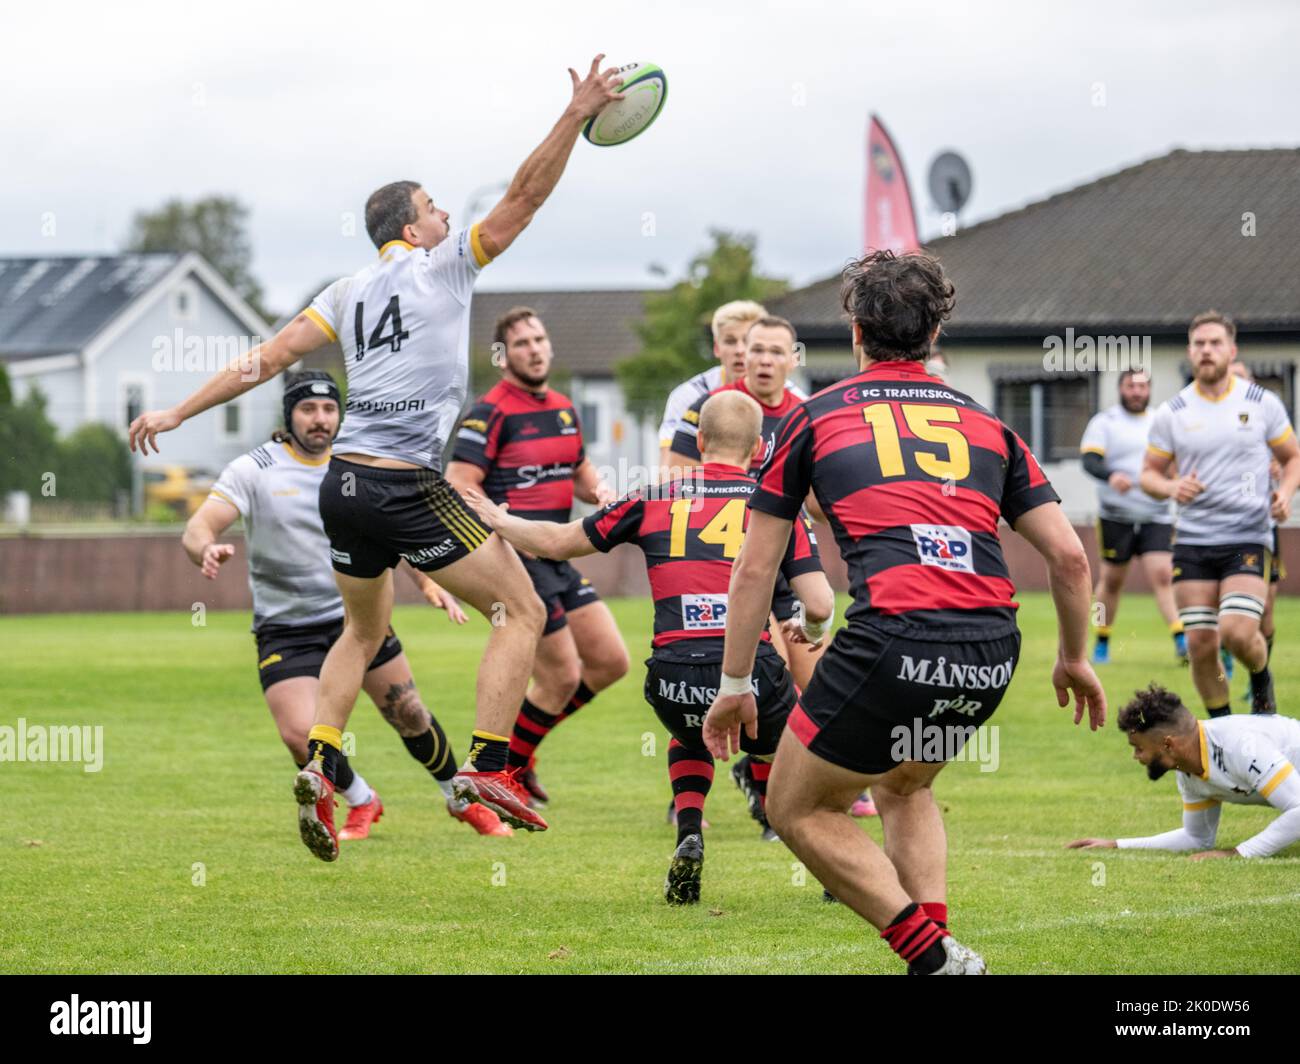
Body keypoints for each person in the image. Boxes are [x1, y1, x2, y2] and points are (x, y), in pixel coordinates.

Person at [128, 56, 627, 858]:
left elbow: (262, 359)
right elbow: (525, 199)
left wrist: (177, 410)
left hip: (345, 487)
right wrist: (575, 115)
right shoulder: (447, 264)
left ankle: (324, 758)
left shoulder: (345, 290)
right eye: (433, 208)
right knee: (523, 610)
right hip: (402, 485)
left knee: (362, 634)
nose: (442, 217)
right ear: (411, 228)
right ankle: (490, 767)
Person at [703, 249, 1106, 975]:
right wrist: (1075, 657)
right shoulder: (989, 425)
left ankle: (934, 957)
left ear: (857, 334)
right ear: (934, 337)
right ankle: (944, 948)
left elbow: (755, 568)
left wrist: (734, 687)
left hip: (893, 639)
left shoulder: (814, 417)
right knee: (903, 782)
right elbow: (1071, 559)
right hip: (991, 645)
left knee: (797, 809)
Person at [463, 389, 834, 901]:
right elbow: (816, 603)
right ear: (757, 451)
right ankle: (830, 870)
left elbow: (555, 543)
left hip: (672, 674)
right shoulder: (776, 506)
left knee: (689, 736)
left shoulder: (652, 496)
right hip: (751, 670)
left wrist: (500, 520)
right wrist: (809, 629)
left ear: (699, 440)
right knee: (795, 752)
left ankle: (688, 834)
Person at [183, 371, 510, 841]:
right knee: (300, 734)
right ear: (288, 415)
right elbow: (197, 528)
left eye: (329, 409)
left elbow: (393, 529)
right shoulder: (254, 468)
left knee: (410, 713)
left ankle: (458, 799)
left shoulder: (356, 466)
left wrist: (426, 580)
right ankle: (362, 799)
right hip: (286, 628)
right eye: (308, 409)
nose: (320, 420)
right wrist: (205, 548)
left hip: (356, 618)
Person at [669, 315, 875, 817]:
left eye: (775, 352)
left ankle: (822, 784)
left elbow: (821, 500)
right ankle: (741, 802)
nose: (762, 359)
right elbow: (676, 480)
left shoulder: (808, 413)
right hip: (725, 566)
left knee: (818, 673)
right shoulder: (713, 409)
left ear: (793, 360)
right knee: (757, 674)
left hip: (789, 560)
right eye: (754, 349)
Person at [446, 307, 629, 806]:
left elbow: (579, 466)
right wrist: (481, 543)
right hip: (516, 560)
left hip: (557, 553)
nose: (535, 348)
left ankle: (516, 759)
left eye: (539, 339)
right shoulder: (489, 413)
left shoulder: (564, 408)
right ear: (504, 356)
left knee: (611, 662)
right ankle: (497, 772)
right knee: (561, 675)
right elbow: (459, 484)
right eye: (522, 342)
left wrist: (598, 490)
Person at [1139, 310, 1300, 718]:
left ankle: (1261, 680)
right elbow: (1149, 476)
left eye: (1214, 343)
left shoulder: (1263, 404)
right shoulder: (1172, 412)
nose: (1206, 351)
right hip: (1193, 539)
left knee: (1236, 631)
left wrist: (1285, 491)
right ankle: (1225, 731)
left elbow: (1292, 456)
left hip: (1247, 535)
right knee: (1200, 644)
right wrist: (1173, 487)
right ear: (1190, 352)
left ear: (1232, 350)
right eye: (1199, 344)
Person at [1068, 684, 1300, 859]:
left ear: (1168, 744)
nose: (1136, 757)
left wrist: (1238, 853)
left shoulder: (1240, 746)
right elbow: (1197, 839)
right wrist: (1117, 844)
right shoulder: (1186, 770)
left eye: (1139, 748)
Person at [1079, 370, 1184, 664]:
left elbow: (1177, 461)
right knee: (1112, 580)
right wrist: (1111, 475)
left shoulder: (1161, 421)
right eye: (1131, 386)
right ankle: (1101, 641)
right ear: (1121, 389)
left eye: (1142, 386)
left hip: (1157, 514)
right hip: (1116, 515)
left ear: (1149, 389)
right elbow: (1089, 460)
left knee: (1164, 575)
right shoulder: (1105, 422)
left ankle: (1181, 639)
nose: (1136, 391)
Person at [655, 300, 772, 476]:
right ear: (717, 348)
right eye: (730, 341)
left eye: (748, 341)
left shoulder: (791, 395)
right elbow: (668, 475)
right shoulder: (687, 396)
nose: (740, 350)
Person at [1229, 361, 1284, 702]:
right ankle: (1223, 660)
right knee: (1221, 614)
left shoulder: (1265, 418)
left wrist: (1280, 479)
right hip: (1215, 535)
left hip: (1261, 531)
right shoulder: (1198, 422)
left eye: (1240, 378)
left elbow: (1290, 461)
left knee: (1264, 611)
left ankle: (1257, 678)